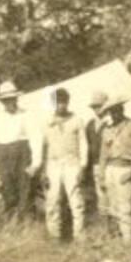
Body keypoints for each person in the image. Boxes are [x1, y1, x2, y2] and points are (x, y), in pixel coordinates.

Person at [40, 87, 88, 240]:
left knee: (76, 201)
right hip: (53, 165)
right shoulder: (47, 123)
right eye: (57, 102)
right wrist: (44, 171)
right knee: (52, 201)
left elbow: (83, 144)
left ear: (68, 102)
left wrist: (82, 166)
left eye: (63, 102)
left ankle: (79, 236)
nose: (61, 105)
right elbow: (44, 148)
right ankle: (54, 235)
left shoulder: (77, 121)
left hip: (72, 164)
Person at [0, 81, 39, 224]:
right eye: (5, 100)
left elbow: (36, 138)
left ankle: (28, 224)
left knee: (25, 190)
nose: (8, 102)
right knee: (7, 190)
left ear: (16, 99)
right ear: (1, 101)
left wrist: (36, 163)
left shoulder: (26, 115)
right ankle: (11, 223)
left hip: (22, 154)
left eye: (11, 99)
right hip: (3, 156)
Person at [99, 96, 131, 243]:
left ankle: (128, 240)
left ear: (122, 109)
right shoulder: (107, 129)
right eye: (112, 111)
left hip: (125, 168)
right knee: (113, 205)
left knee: (126, 205)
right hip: (111, 168)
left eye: (118, 109)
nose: (116, 113)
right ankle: (118, 237)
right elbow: (103, 153)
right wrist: (101, 175)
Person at [85, 90, 109, 232]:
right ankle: (105, 227)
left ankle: (116, 228)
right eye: (94, 107)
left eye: (99, 106)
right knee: (101, 196)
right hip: (95, 165)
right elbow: (87, 146)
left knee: (112, 195)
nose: (97, 109)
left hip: (109, 164)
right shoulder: (90, 124)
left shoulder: (111, 122)